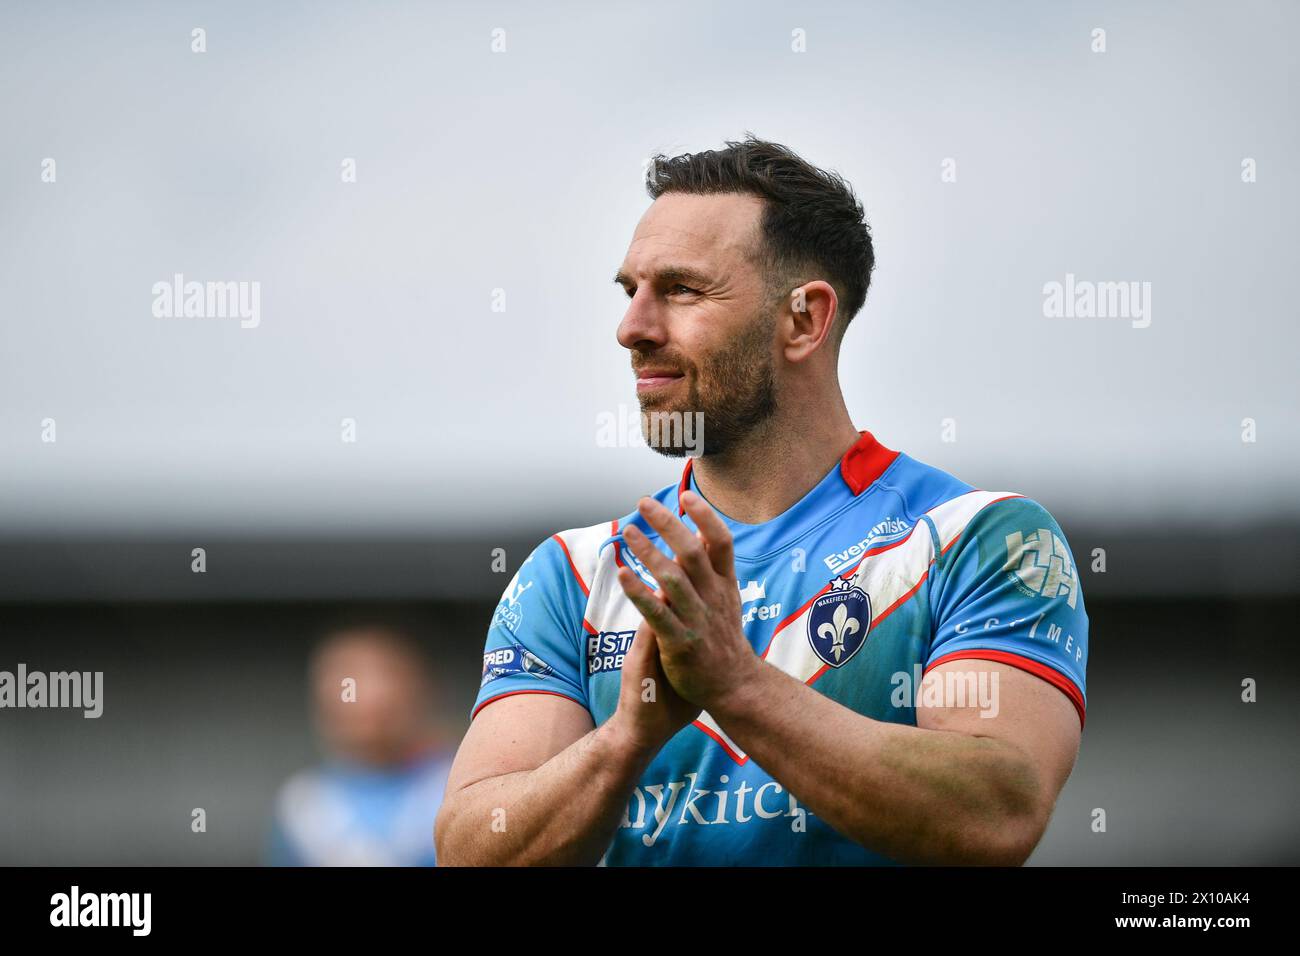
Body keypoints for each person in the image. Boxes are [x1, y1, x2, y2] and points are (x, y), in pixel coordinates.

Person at [435, 135, 1089, 866]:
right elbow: (470, 850)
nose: (633, 329)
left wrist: (737, 684)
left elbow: (995, 813)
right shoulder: (575, 575)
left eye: (681, 290)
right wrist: (626, 737)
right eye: (631, 292)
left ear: (804, 319)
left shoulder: (978, 539)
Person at [267, 624, 452, 866]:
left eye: (385, 674)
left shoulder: (454, 783)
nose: (370, 696)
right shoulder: (302, 802)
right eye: (346, 676)